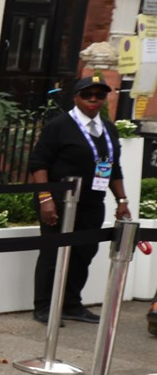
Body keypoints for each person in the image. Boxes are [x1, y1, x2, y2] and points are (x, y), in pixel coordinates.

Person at [27, 75, 132, 323]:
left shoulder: (108, 128)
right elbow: (38, 163)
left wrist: (122, 200)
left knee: (84, 253)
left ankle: (71, 304)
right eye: (87, 95)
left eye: (100, 95)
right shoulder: (60, 125)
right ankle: (43, 307)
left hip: (91, 202)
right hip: (59, 202)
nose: (93, 100)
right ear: (76, 97)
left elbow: (113, 167)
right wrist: (45, 199)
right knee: (53, 254)